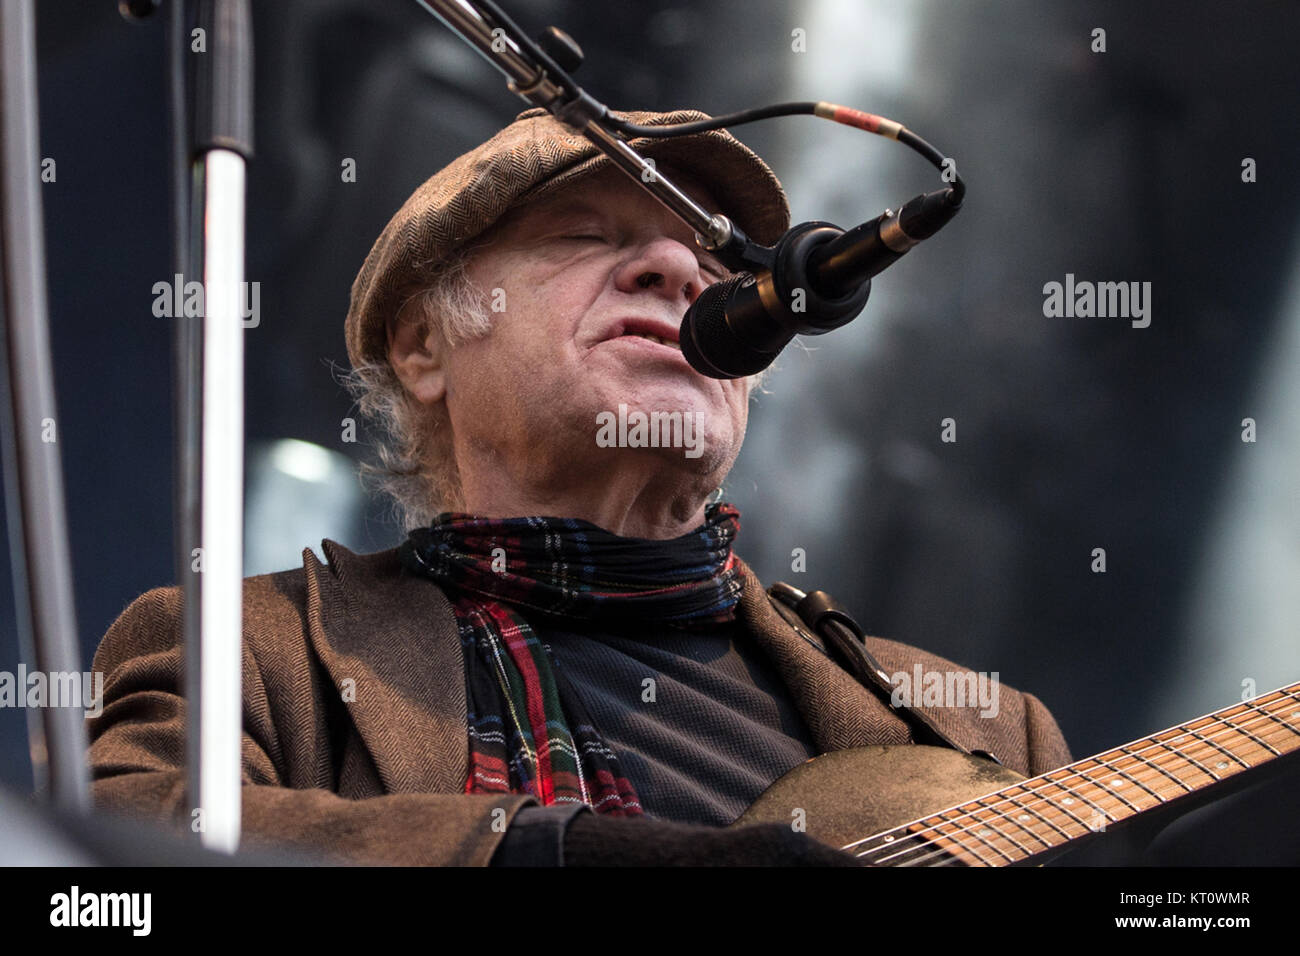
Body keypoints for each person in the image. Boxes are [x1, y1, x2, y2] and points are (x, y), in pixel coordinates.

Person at [87, 107, 1072, 866]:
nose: (679, 266)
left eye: (713, 256)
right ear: (425, 345)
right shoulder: (241, 650)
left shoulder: (989, 729)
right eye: (585, 235)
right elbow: (110, 863)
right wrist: (561, 853)